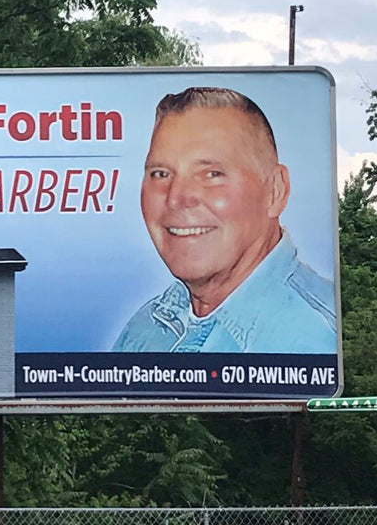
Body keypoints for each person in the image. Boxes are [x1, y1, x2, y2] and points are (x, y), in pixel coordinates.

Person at [112, 86, 336, 354]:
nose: (177, 198)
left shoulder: (314, 338)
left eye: (212, 174)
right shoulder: (146, 327)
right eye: (161, 174)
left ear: (275, 191)